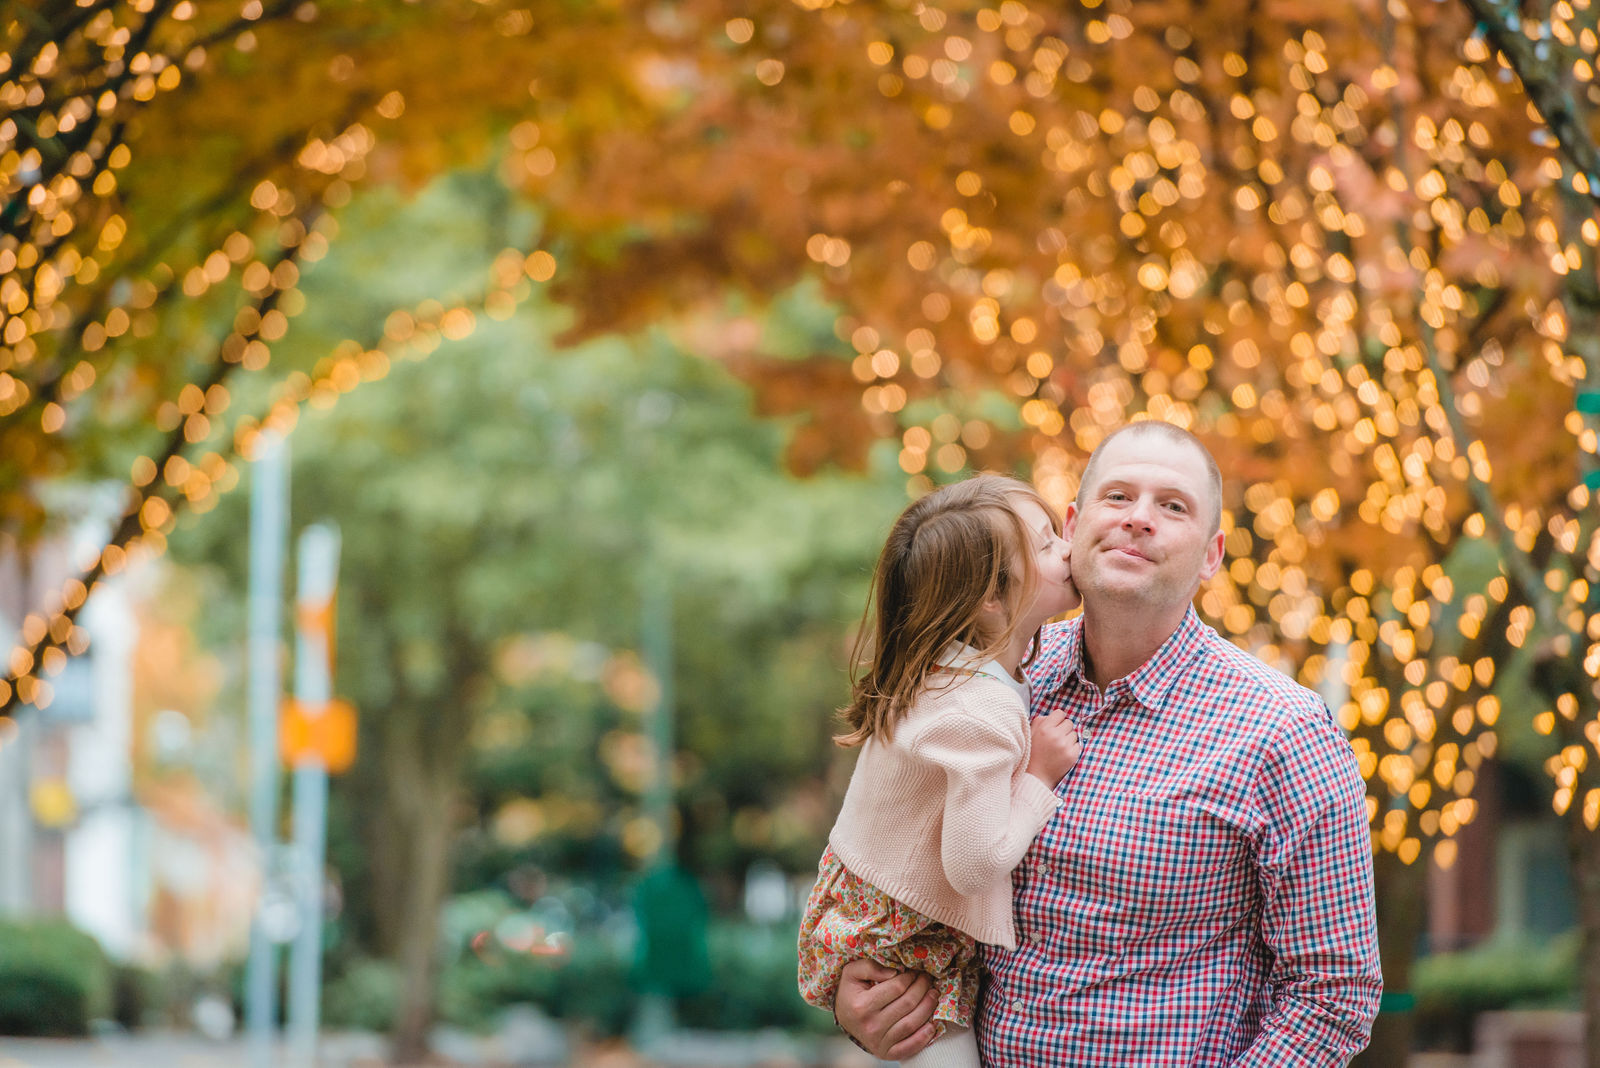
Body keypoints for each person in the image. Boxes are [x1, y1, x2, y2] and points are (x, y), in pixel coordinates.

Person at [834, 421, 1382, 1066]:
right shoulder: (989, 687)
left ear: (1211, 555)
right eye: (1117, 497)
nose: (1139, 519)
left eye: (1173, 506)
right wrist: (858, 993)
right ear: (1070, 528)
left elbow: (1333, 994)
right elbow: (888, 847)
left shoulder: (1285, 733)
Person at [797, 474, 1084, 1068]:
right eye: (1046, 544)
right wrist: (1037, 779)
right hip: (904, 947)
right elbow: (974, 862)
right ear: (991, 598)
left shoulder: (954, 670)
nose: (1067, 550)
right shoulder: (979, 706)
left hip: (878, 913)